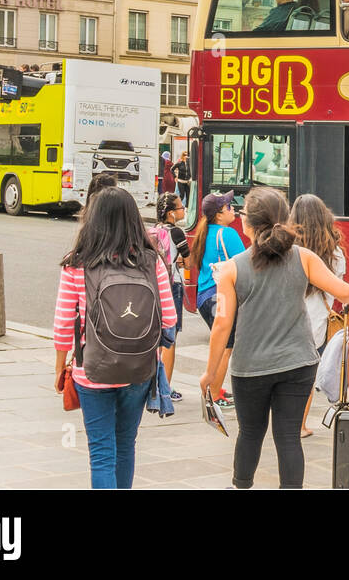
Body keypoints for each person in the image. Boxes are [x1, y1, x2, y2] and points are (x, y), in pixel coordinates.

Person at [200, 188, 349, 489]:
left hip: (250, 368)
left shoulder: (232, 269)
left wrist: (210, 373)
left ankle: (242, 485)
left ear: (248, 225)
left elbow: (222, 325)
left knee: (250, 433)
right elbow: (345, 292)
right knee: (287, 437)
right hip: (299, 363)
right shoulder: (304, 257)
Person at [53, 186, 178, 489]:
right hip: (138, 371)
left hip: (91, 370)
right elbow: (170, 320)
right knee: (126, 445)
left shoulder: (76, 263)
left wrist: (60, 367)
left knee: (102, 452)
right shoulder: (151, 261)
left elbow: (62, 326)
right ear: (134, 219)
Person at [288, 193, 347, 437]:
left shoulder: (287, 250)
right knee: (306, 378)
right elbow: (340, 291)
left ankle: (282, 420)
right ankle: (299, 425)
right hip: (316, 327)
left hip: (285, 321)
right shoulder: (334, 254)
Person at [190, 191, 246, 408]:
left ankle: (215, 388)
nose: (233, 209)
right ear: (220, 213)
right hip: (220, 297)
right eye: (230, 206)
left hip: (204, 296)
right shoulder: (228, 234)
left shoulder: (205, 232)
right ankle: (214, 394)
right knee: (226, 346)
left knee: (220, 345)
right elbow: (244, 265)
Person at [151, 192, 188, 398]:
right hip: (171, 286)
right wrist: (182, 262)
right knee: (170, 340)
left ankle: (153, 384)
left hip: (153, 287)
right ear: (172, 213)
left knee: (155, 337)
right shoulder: (177, 233)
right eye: (181, 207)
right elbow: (188, 262)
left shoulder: (152, 230)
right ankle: (166, 388)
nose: (184, 210)